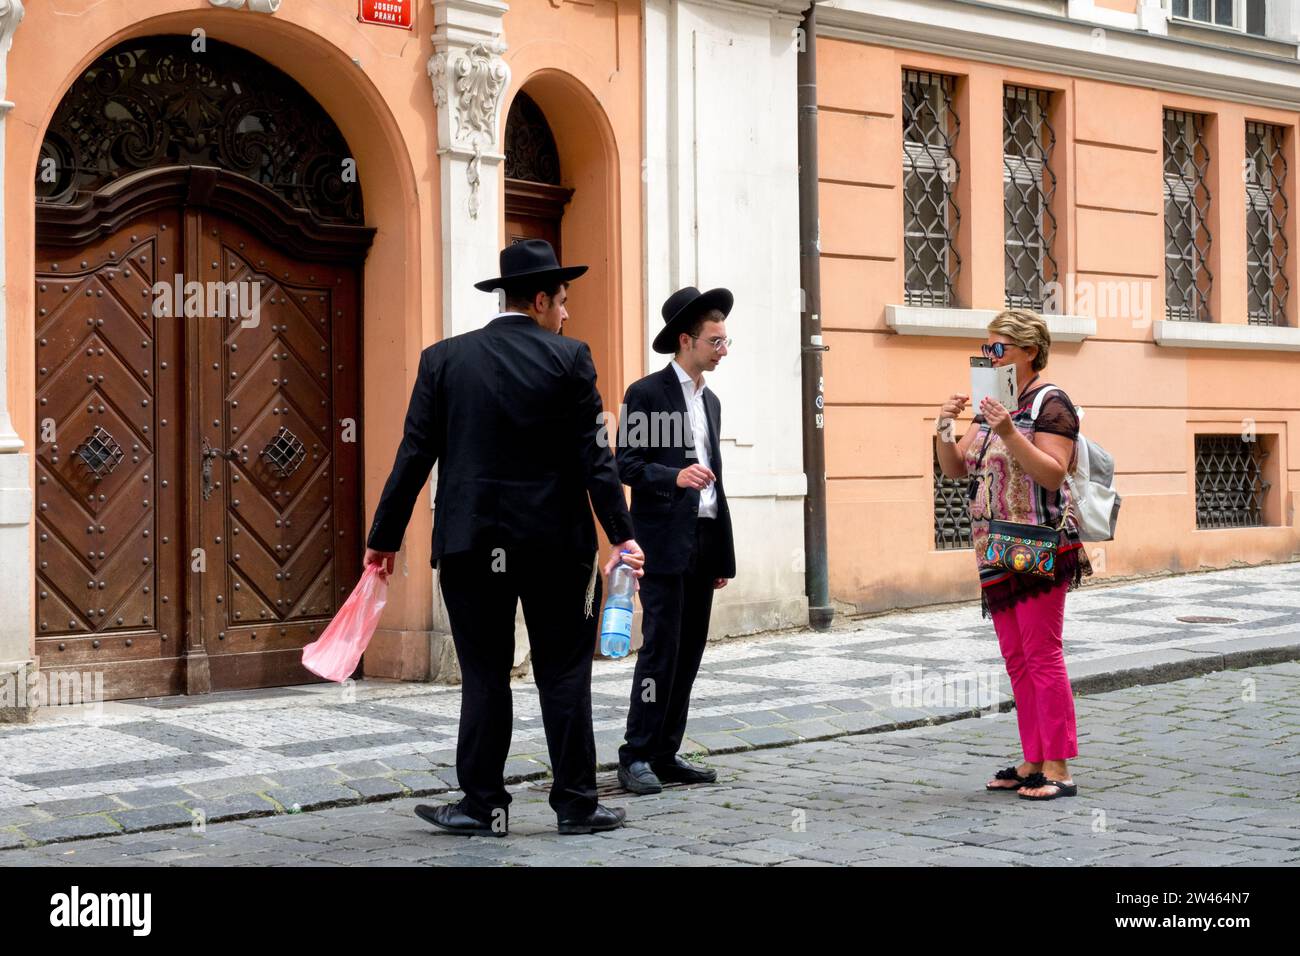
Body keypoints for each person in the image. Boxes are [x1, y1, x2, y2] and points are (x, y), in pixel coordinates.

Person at [363, 239, 645, 835]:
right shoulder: (571, 359)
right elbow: (598, 460)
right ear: (540, 299)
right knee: (564, 674)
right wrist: (622, 537)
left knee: (485, 674)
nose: (566, 314)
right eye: (563, 301)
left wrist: (382, 540)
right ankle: (577, 805)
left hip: (471, 546)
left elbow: (414, 456)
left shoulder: (442, 360)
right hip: (555, 549)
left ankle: (481, 806)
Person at [934, 308, 1091, 801]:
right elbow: (957, 468)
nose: (990, 356)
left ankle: (1059, 766)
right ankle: (1031, 759)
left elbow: (1051, 472)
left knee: (1043, 654)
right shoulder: (992, 405)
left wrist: (1007, 432)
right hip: (995, 545)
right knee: (1017, 658)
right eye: (987, 349)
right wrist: (944, 425)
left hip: (1040, 544)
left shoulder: (1052, 402)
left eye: (998, 348)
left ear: (1028, 351)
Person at [615, 287, 737, 795]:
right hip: (662, 543)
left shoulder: (711, 400)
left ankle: (666, 751)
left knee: (689, 654)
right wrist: (675, 476)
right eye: (715, 340)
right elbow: (626, 464)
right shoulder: (646, 394)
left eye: (726, 340)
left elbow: (719, 481)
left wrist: (722, 554)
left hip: (704, 541)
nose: (723, 349)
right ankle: (636, 753)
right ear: (685, 341)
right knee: (660, 650)